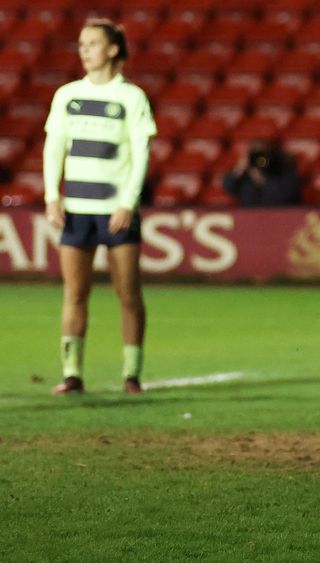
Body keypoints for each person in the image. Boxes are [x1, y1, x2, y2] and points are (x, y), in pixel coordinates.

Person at [43, 18, 156, 395]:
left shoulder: (131, 97)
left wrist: (127, 202)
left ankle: (132, 375)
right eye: (81, 44)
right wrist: (51, 195)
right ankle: (72, 373)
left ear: (112, 50)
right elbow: (54, 146)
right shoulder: (66, 95)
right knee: (75, 293)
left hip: (116, 211)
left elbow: (140, 153)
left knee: (128, 294)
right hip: (76, 210)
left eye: (92, 43)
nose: (84, 50)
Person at [222, 139, 300, 206]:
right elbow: (227, 187)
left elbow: (286, 195)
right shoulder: (245, 173)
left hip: (277, 214)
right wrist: (239, 169)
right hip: (249, 215)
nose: (258, 158)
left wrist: (263, 181)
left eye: (261, 154)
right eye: (254, 154)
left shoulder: (281, 168)